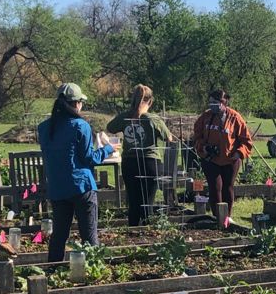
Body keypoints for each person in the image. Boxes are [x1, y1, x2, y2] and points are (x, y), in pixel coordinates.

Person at [38, 83, 117, 262]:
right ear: (76, 104)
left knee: (59, 235)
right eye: (81, 101)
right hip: (81, 187)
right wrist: (108, 149)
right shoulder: (80, 126)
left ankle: (53, 269)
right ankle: (92, 270)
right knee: (89, 236)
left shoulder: (44, 128)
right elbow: (90, 158)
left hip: (58, 188)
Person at [107, 84, 174, 226]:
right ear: (150, 101)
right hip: (150, 163)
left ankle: (132, 233)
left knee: (133, 202)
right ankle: (146, 233)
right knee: (147, 203)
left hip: (129, 163)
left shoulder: (125, 116)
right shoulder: (153, 119)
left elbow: (110, 128)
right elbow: (169, 138)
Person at [191, 88, 253, 218]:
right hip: (210, 159)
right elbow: (196, 137)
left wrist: (239, 153)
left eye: (215, 102)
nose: (212, 105)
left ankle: (227, 217)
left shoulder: (235, 118)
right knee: (215, 188)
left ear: (223, 103)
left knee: (228, 188)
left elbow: (246, 141)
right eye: (210, 102)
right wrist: (204, 148)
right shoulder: (205, 117)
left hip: (231, 159)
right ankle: (217, 217)